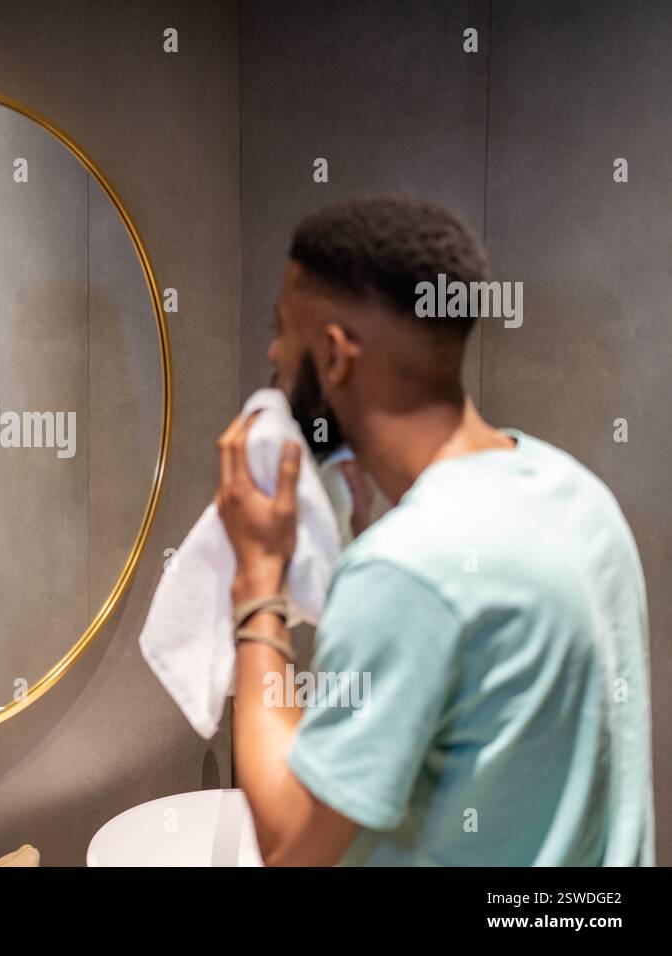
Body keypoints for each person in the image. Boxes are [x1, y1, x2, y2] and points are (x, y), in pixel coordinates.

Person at [218, 196, 654, 865]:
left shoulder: (406, 569)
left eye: (282, 331)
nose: (275, 354)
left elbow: (287, 845)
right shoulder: (579, 496)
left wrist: (257, 586)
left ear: (334, 355)